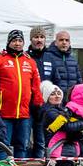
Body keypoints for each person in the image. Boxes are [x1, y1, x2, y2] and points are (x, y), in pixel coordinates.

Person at [0, 29, 43, 160]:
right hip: (4, 113)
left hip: (24, 113)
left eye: (20, 41)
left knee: (22, 145)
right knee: (3, 145)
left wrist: (38, 103)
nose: (17, 43)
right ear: (9, 42)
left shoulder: (30, 61)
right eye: (14, 40)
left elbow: (36, 85)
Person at [27, 27, 50, 156]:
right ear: (31, 39)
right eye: (36, 37)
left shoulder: (50, 56)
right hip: (28, 106)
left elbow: (56, 80)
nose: (39, 40)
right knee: (25, 141)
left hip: (45, 107)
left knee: (41, 141)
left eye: (42, 37)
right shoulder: (25, 57)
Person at [40, 30, 81, 98]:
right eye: (61, 40)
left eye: (66, 40)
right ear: (55, 42)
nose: (64, 42)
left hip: (71, 99)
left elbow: (79, 81)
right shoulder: (47, 57)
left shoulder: (73, 60)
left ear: (69, 43)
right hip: (54, 98)